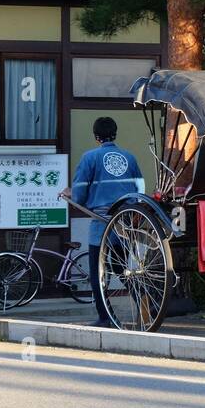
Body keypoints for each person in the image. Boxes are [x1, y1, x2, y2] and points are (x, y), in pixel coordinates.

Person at [60, 117, 144, 326]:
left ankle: (106, 317)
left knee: (98, 273)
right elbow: (140, 187)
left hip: (101, 223)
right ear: (115, 134)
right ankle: (146, 302)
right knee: (121, 268)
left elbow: (79, 192)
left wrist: (70, 195)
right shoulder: (129, 157)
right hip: (125, 222)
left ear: (96, 137)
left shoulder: (90, 158)